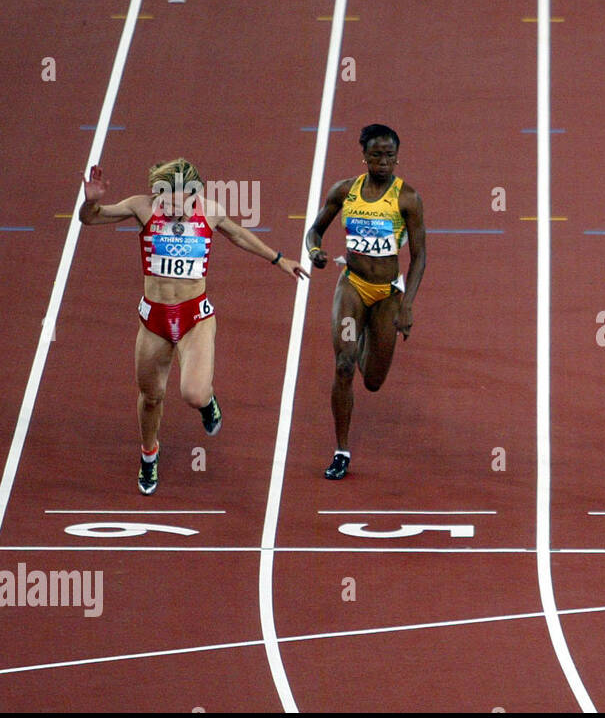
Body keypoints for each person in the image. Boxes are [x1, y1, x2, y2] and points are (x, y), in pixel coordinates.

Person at [79, 159, 310, 495]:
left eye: (178, 201)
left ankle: (208, 403)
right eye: (165, 201)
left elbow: (239, 235)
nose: (171, 208)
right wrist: (91, 200)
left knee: (194, 392)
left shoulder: (210, 211)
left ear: (193, 195)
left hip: (194, 319)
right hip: (154, 320)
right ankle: (148, 455)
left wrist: (279, 259)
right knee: (151, 397)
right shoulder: (141, 207)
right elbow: (91, 219)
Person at [305, 124, 426, 480]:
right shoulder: (345, 191)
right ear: (364, 156)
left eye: (390, 155)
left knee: (373, 380)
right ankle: (341, 451)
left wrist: (408, 304)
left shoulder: (408, 199)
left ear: (397, 157)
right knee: (343, 366)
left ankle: (361, 339)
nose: (384, 162)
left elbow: (419, 256)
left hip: (388, 292)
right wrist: (314, 250)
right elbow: (315, 229)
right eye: (376, 155)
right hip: (353, 285)